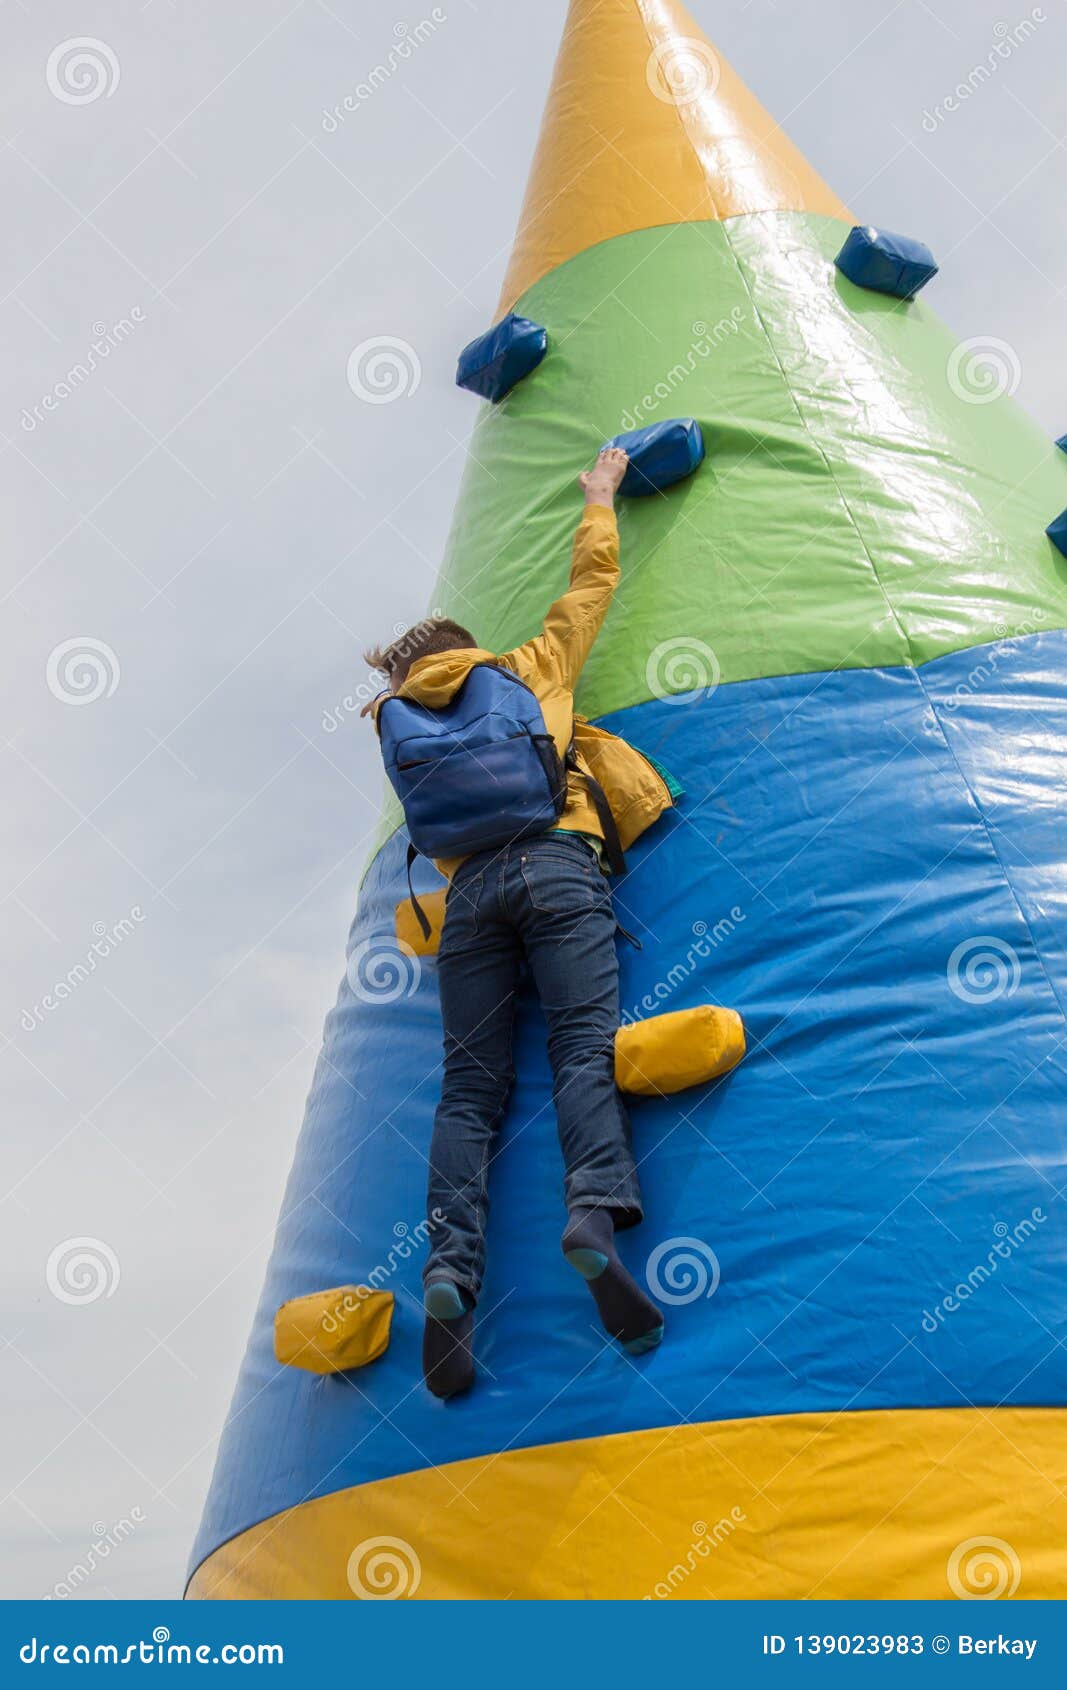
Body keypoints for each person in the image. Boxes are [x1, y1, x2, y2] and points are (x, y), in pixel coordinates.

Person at [364, 447, 678, 1397]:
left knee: (467, 1095)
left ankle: (450, 1270)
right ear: (468, 647)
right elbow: (592, 583)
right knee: (580, 1048)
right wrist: (599, 496)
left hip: (468, 902)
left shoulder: (393, 717)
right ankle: (592, 1214)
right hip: (554, 863)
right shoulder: (526, 668)